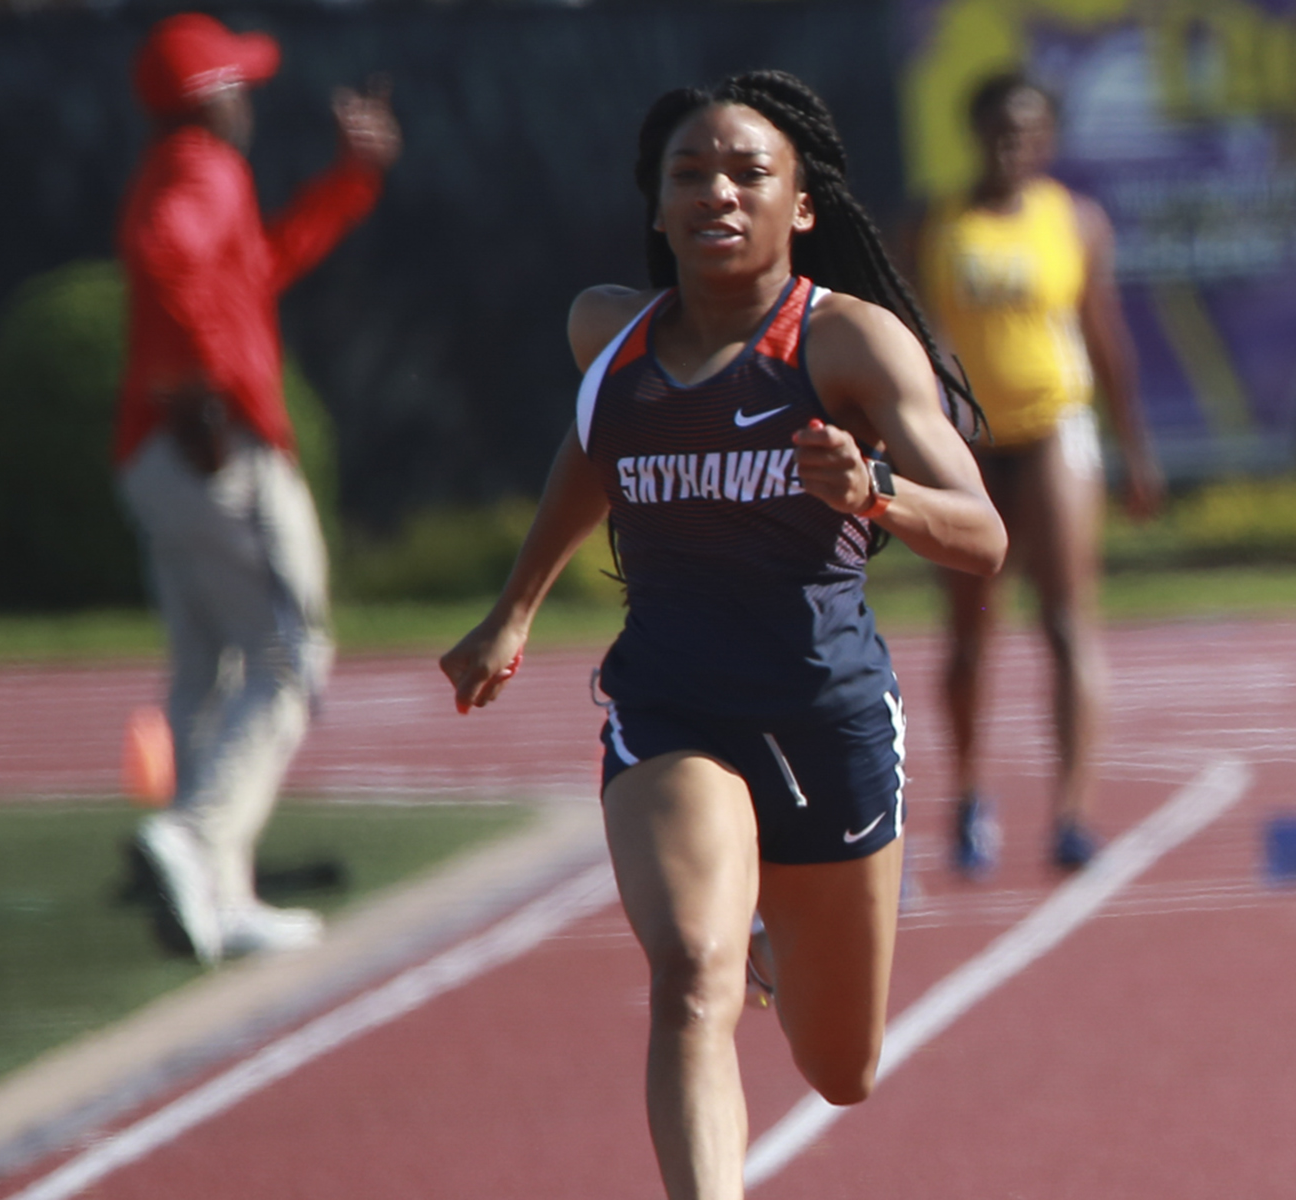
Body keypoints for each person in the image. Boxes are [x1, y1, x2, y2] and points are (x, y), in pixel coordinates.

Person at [441, 70, 1005, 1199]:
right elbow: (594, 446)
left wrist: (875, 491)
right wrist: (514, 609)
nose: (718, 194)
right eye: (690, 174)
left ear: (803, 204)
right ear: (656, 206)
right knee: (693, 976)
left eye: (750, 173)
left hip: (824, 714)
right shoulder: (609, 334)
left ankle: (777, 941)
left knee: (840, 1068)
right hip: (673, 707)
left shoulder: (850, 344)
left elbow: (983, 537)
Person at [115, 13, 401, 963]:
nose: (248, 99)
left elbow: (253, 269)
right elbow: (167, 253)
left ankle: (218, 897)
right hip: (213, 450)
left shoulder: (176, 169)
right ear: (209, 99)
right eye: (236, 84)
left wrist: (350, 183)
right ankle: (194, 840)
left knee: (208, 668)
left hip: (155, 456)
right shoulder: (203, 170)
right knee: (289, 650)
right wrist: (196, 389)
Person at [915, 71, 1163, 877]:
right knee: (970, 634)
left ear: (1048, 139)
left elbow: (1104, 334)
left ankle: (1072, 812)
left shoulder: (1075, 220)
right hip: (970, 440)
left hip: (1056, 423)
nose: (1010, 144)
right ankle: (969, 794)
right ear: (974, 133)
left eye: (1026, 131)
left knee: (1065, 622)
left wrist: (1136, 449)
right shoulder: (936, 224)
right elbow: (909, 333)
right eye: (997, 129)